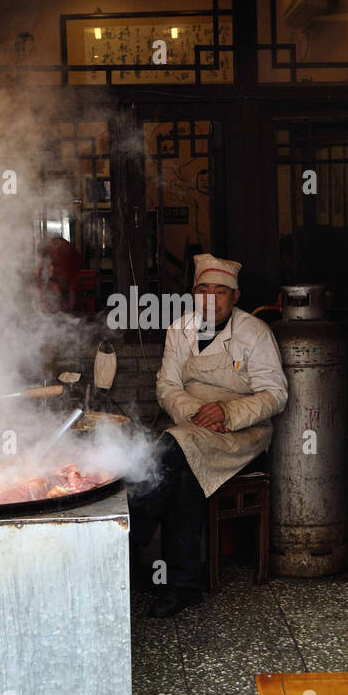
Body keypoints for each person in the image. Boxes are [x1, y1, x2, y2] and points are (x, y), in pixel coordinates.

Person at [128, 254, 288, 617]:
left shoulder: (255, 333)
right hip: (192, 426)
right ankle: (183, 586)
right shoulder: (180, 329)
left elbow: (276, 394)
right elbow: (166, 386)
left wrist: (228, 413)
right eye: (203, 290)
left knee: (169, 447)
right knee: (184, 472)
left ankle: (130, 536)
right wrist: (196, 414)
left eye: (221, 291)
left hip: (240, 435)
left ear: (235, 296)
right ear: (192, 294)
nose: (211, 299)